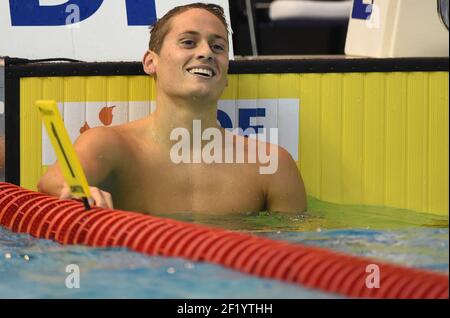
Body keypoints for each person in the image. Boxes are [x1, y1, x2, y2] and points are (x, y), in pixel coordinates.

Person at [37, 3, 307, 214]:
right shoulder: (110, 145)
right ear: (150, 62)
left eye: (218, 46)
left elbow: (297, 261)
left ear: (226, 75)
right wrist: (76, 193)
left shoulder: (270, 165)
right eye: (188, 42)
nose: (206, 53)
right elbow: (51, 184)